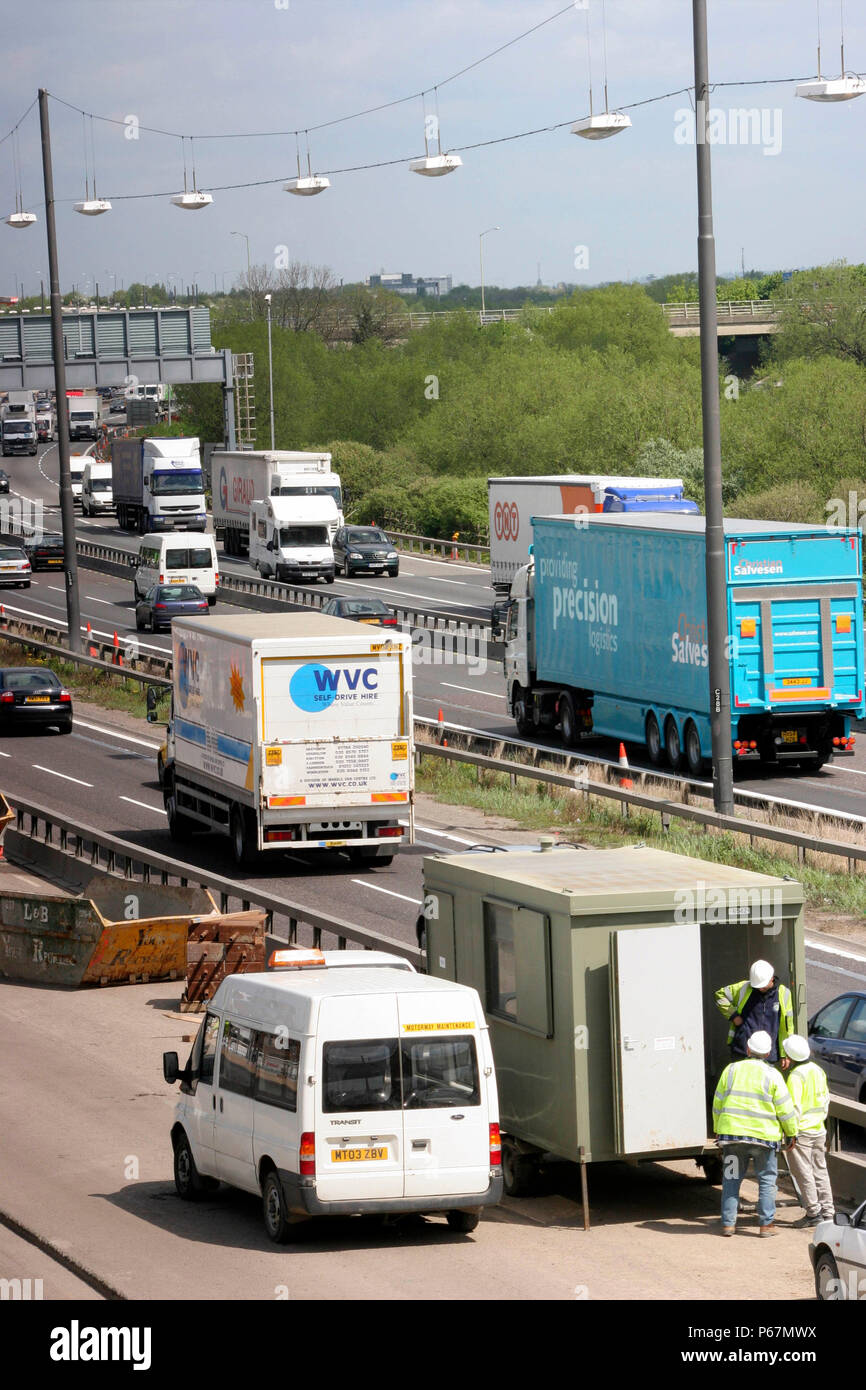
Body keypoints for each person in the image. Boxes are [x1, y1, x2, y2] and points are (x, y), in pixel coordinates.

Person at [712, 1030, 798, 1236]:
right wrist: (791, 1133)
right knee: (767, 1180)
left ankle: (728, 1223)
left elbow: (718, 1103)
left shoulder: (731, 1070)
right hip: (764, 1140)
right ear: (768, 1054)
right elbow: (785, 1110)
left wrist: (718, 1129)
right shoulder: (773, 1075)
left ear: (748, 1049)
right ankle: (766, 1225)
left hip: (732, 1138)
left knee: (731, 1179)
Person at [782, 1034, 834, 1228]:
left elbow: (793, 1108)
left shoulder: (796, 1076)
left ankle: (813, 1213)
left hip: (801, 1131)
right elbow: (826, 1098)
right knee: (820, 1170)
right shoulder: (818, 1070)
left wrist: (790, 1132)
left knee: (803, 1172)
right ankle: (828, 1211)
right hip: (818, 1129)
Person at [714, 959, 794, 1067]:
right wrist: (734, 1016)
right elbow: (720, 996)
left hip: (768, 1054)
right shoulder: (744, 988)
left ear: (772, 978)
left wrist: (785, 1053)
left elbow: (787, 1026)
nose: (760, 988)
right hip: (742, 1051)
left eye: (763, 985)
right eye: (758, 986)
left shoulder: (784, 994)